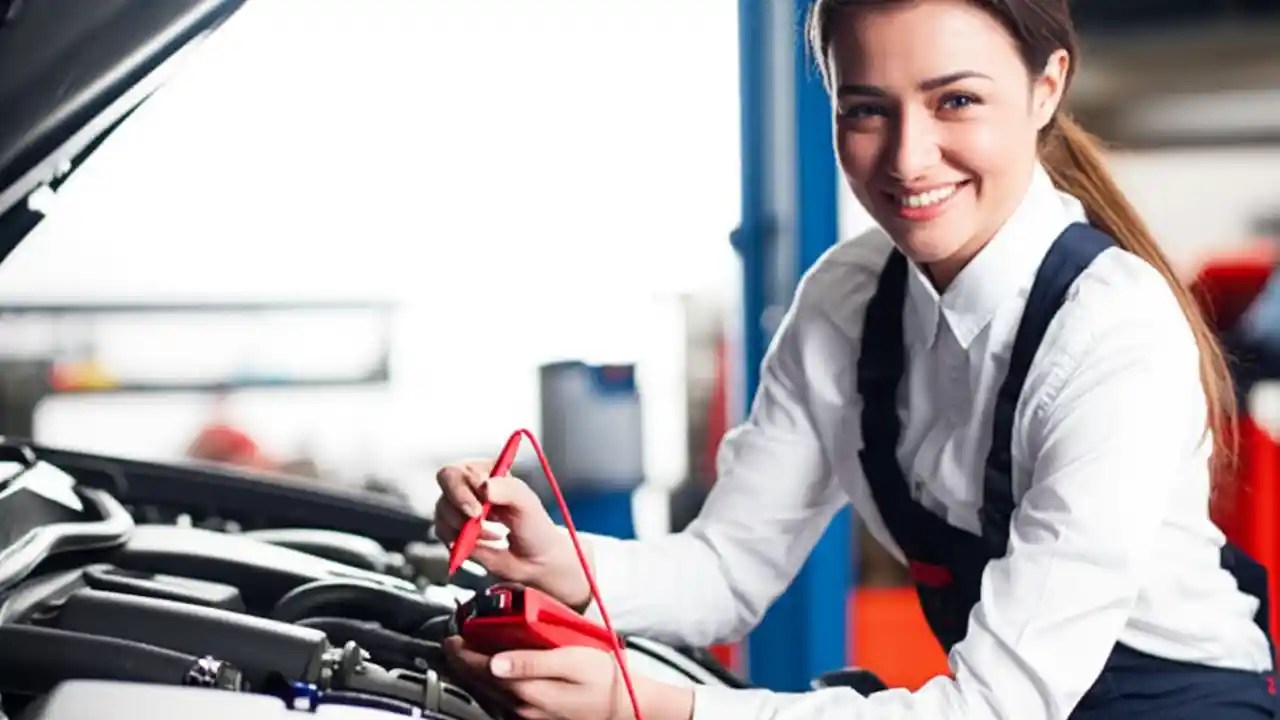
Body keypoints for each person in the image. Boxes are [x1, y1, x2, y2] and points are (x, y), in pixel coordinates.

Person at [434, 1, 1279, 717]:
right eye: (866, 109)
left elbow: (991, 707)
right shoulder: (845, 301)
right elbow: (728, 567)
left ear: (1045, 86)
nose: (908, 159)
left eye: (955, 101)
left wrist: (660, 706)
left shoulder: (1112, 332)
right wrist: (565, 567)